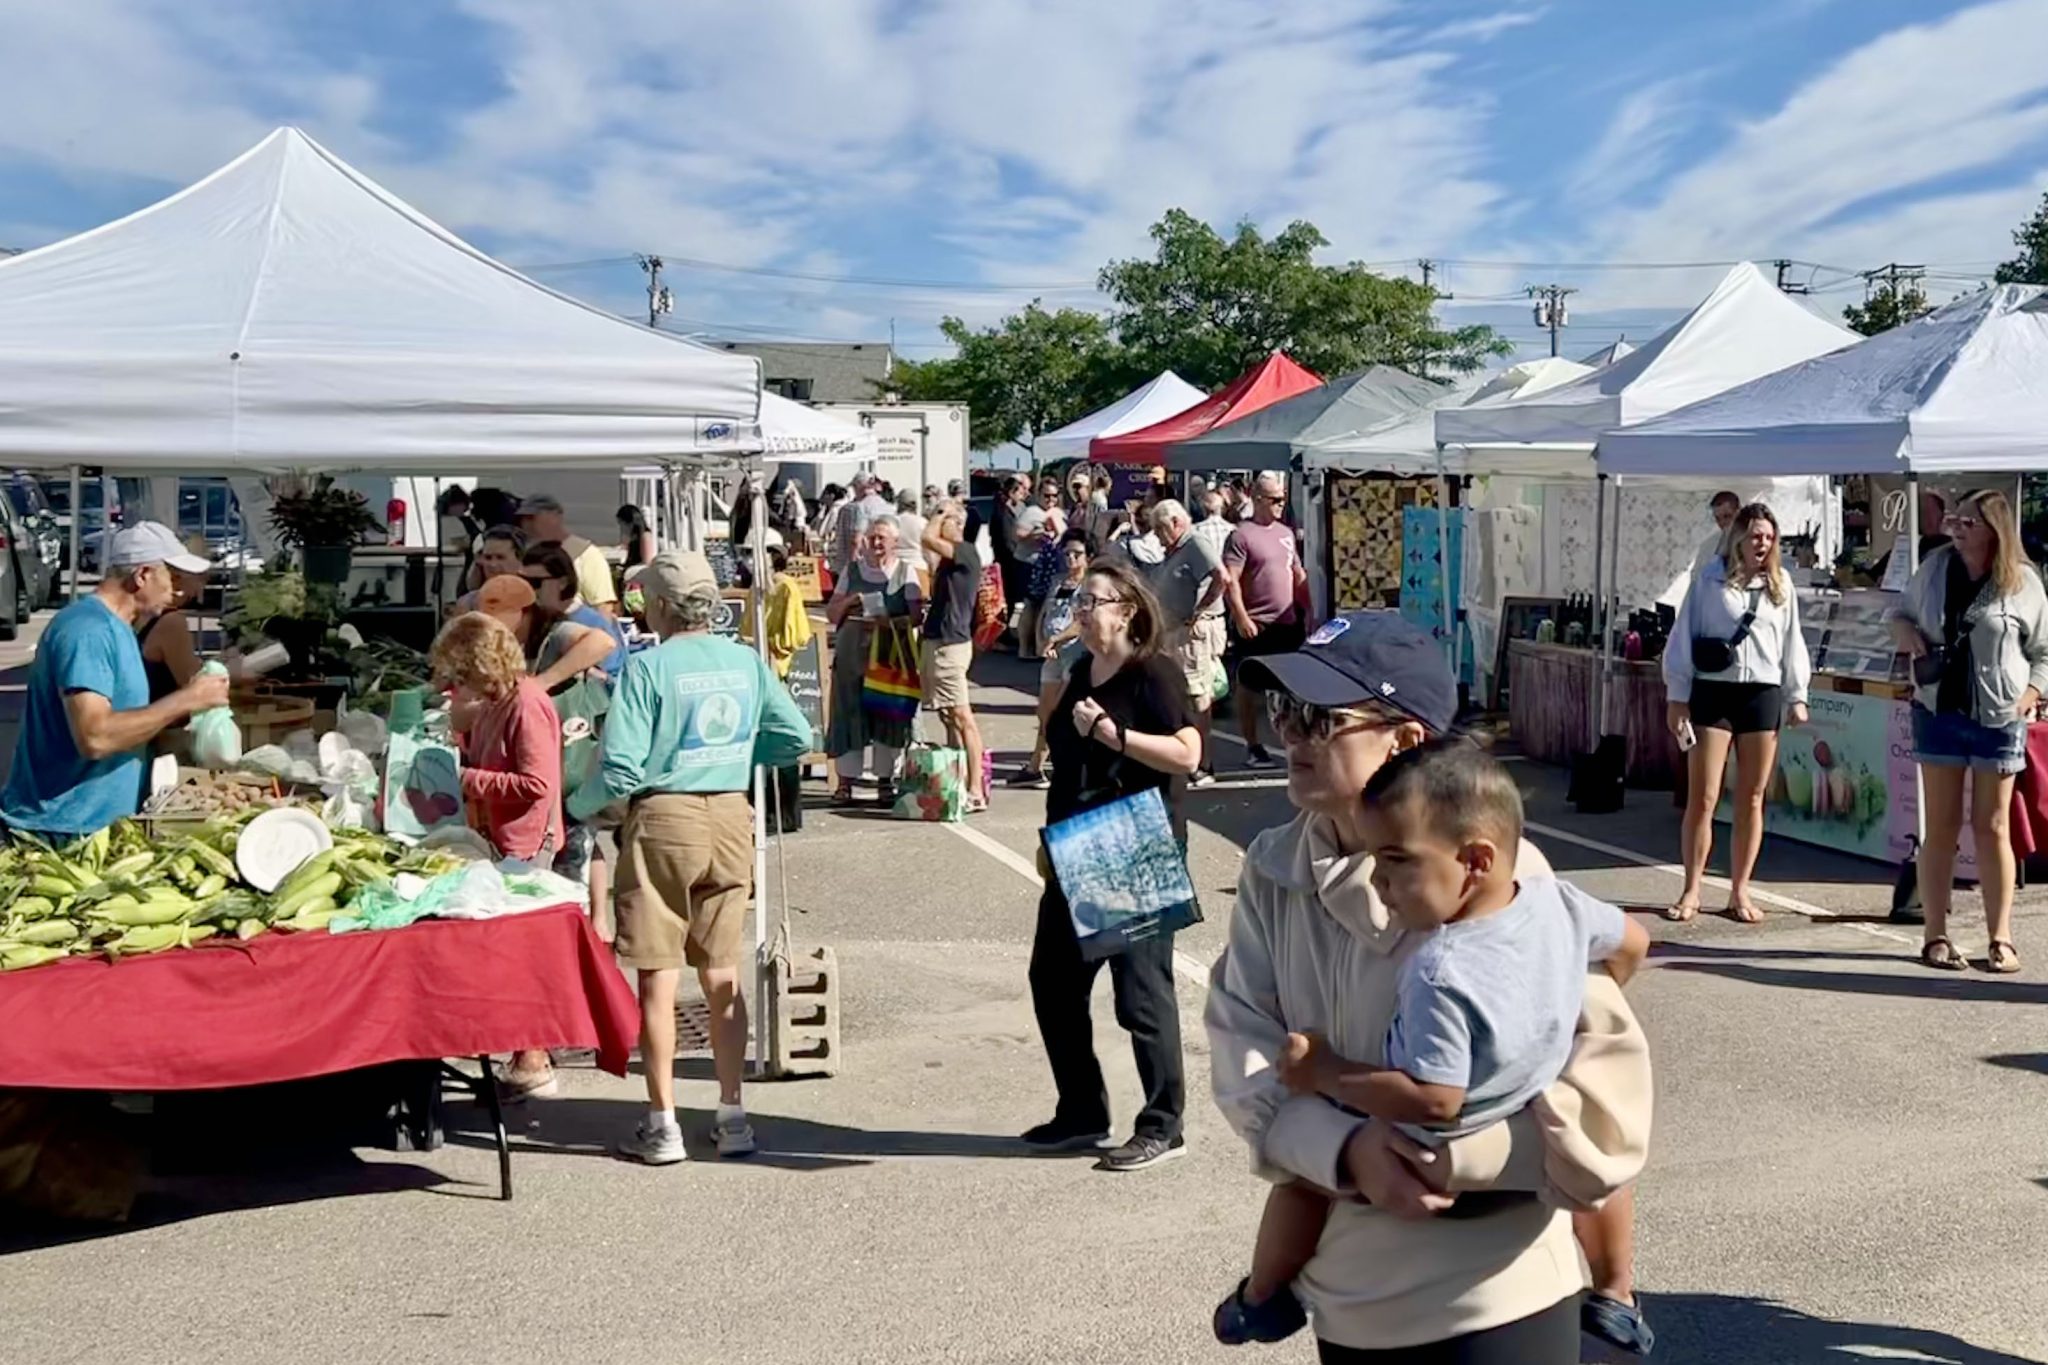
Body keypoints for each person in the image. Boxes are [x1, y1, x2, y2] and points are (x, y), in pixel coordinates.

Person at [1206, 612, 1654, 1362]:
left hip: (1498, 1292)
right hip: (1347, 1296)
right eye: (1283, 711)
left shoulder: (1505, 883)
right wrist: (1345, 1150)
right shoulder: (1272, 871)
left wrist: (1451, 1159)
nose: (1290, 734)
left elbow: (1606, 1090)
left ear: (1405, 742)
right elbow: (1242, 1047)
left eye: (1319, 718)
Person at [568, 550, 813, 1164]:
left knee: (657, 975)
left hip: (664, 816)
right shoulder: (746, 661)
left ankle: (664, 1122)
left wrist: (577, 805)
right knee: (721, 971)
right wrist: (735, 756)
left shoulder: (648, 668)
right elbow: (796, 737)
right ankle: (732, 1116)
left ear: (658, 605)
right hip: (729, 812)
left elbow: (621, 765)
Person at [1025, 559, 1202, 1172]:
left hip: (1135, 844)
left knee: (1140, 994)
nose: (1080, 610)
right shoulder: (1080, 670)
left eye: (1092, 601)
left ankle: (1163, 1124)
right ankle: (1081, 1111)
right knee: (1053, 981)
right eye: (1078, 600)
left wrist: (1115, 735)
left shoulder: (1152, 673)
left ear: (1125, 610)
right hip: (1077, 844)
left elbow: (1187, 754)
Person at [1888, 488, 2048, 973]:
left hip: (2000, 717)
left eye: (1966, 523)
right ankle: (1935, 935)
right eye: (1953, 521)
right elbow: (1898, 612)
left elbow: (2044, 650)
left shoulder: (2021, 580)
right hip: (1939, 711)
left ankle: (2001, 938)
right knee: (1940, 827)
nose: (1955, 530)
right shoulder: (1935, 568)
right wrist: (1904, 633)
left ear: (1994, 528)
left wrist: (2032, 693)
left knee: (1993, 826)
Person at [1, 523, 230, 843]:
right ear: (142, 575)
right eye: (172, 578)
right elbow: (95, 737)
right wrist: (188, 699)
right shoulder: (88, 630)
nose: (176, 591)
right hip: (61, 830)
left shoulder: (121, 629)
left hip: (94, 826)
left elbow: (125, 722)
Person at [432, 610, 566, 1100]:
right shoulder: (496, 700)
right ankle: (524, 1056)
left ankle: (533, 1060)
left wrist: (462, 778)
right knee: (511, 954)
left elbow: (537, 784)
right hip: (501, 835)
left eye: (461, 671)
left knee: (520, 957)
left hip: (527, 844)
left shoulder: (527, 704)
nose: (457, 681)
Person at [1664, 503, 1812, 924]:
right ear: (1739, 538)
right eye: (1754, 535)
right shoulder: (1709, 581)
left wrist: (1796, 695)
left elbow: (1791, 644)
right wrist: (1678, 694)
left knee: (1751, 798)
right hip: (1714, 693)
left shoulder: (1782, 586)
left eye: (1768, 536)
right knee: (1704, 796)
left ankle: (1739, 891)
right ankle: (1691, 888)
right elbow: (1683, 638)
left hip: (1761, 694)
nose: (1761, 543)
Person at [824, 515, 924, 806]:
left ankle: (885, 780)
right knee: (848, 711)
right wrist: (851, 601)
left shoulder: (905, 572)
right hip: (852, 651)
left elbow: (917, 616)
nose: (876, 542)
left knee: (888, 713)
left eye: (882, 537)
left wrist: (888, 621)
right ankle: (845, 782)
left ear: (895, 542)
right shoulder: (851, 570)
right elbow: (832, 615)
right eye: (872, 537)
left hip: (889, 653)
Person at [1224, 472, 1310, 769]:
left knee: (1292, 688)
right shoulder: (1241, 535)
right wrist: (1241, 617)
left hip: (1287, 622)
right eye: (1275, 499)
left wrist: (1309, 610)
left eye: (1283, 499)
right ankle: (1252, 745)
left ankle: (1294, 743)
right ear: (1258, 499)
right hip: (1256, 624)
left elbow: (1297, 575)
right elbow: (1231, 581)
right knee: (1249, 687)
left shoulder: (1286, 533)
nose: (1280, 504)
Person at [1145, 499, 1227, 788]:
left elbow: (1221, 577)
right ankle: (1188, 759)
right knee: (1181, 697)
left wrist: (1199, 610)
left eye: (1159, 528)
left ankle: (1202, 764)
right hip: (1173, 634)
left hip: (1190, 636)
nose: (1155, 534)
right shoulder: (1175, 549)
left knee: (1196, 698)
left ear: (1177, 523)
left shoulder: (1195, 543)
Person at [1009, 531, 1092, 789]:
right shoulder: (1058, 581)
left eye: (1077, 554)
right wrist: (1039, 637)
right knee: (1046, 712)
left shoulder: (1090, 586)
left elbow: (1082, 621)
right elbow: (1045, 609)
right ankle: (1036, 766)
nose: (1070, 559)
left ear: (1088, 557)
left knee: (1068, 714)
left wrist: (1056, 639)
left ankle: (1072, 766)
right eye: (1066, 553)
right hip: (1052, 654)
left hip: (1074, 654)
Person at [921, 501, 988, 812]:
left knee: (962, 716)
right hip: (937, 640)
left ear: (956, 525)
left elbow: (926, 537)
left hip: (952, 644)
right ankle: (957, 780)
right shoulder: (950, 560)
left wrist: (940, 513)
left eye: (945, 521)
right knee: (947, 715)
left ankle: (976, 789)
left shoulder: (966, 551)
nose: (938, 525)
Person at [521, 543, 628, 679]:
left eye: (535, 583)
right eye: (523, 581)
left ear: (562, 582)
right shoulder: (532, 618)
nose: (528, 589)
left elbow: (615, 678)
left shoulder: (591, 622)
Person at [517, 494, 619, 620]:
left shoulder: (586, 554)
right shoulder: (525, 554)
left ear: (555, 516)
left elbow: (603, 606)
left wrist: (599, 631)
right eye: (523, 519)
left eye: (532, 518)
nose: (527, 524)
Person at [989, 475, 1031, 645]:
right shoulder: (1003, 513)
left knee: (1012, 600)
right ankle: (1005, 633)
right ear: (1012, 492)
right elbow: (1007, 541)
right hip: (1008, 563)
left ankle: (1008, 631)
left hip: (1008, 562)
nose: (1023, 495)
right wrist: (1017, 557)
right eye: (1020, 491)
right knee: (1010, 600)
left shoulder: (1005, 510)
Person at [830, 473, 890, 579]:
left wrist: (852, 569)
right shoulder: (888, 507)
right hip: (884, 563)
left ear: (859, 487)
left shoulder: (857, 507)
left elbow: (856, 541)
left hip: (861, 565)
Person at [457, 524, 529, 610]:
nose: (492, 564)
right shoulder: (468, 604)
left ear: (520, 560)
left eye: (500, 557)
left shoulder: (534, 602)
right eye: (488, 558)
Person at [1689, 491, 1741, 577]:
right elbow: (1696, 577)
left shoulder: (1753, 541)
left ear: (1738, 512)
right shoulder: (1708, 546)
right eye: (1718, 518)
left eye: (1727, 516)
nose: (1722, 523)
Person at [617, 504, 656, 576]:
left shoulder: (645, 536)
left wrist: (629, 570)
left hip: (639, 576)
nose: (621, 528)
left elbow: (647, 562)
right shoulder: (633, 537)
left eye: (622, 524)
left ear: (630, 523)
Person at [892, 486, 928, 562]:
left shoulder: (892, 522)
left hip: (895, 564)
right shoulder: (922, 522)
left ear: (900, 504)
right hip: (917, 564)